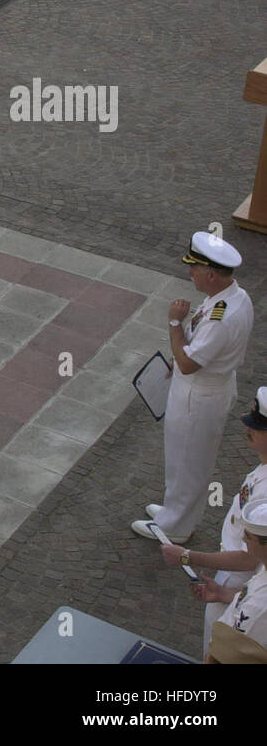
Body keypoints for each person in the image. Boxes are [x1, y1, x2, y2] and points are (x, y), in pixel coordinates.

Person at [132, 232, 254, 543]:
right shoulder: (231, 298)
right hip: (204, 387)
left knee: (188, 461)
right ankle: (175, 511)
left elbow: (189, 363)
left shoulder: (220, 317)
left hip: (198, 395)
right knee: (182, 457)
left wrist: (174, 323)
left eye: (194, 268)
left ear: (211, 274)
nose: (190, 273)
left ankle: (175, 528)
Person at [156, 387, 267, 657]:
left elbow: (250, 558)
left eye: (259, 427)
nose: (247, 428)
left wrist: (186, 557)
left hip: (239, 577)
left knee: (217, 646)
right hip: (236, 586)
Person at [193, 497, 267, 663]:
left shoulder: (260, 607)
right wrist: (224, 594)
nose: (243, 540)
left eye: (248, 536)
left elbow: (229, 655)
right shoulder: (264, 567)